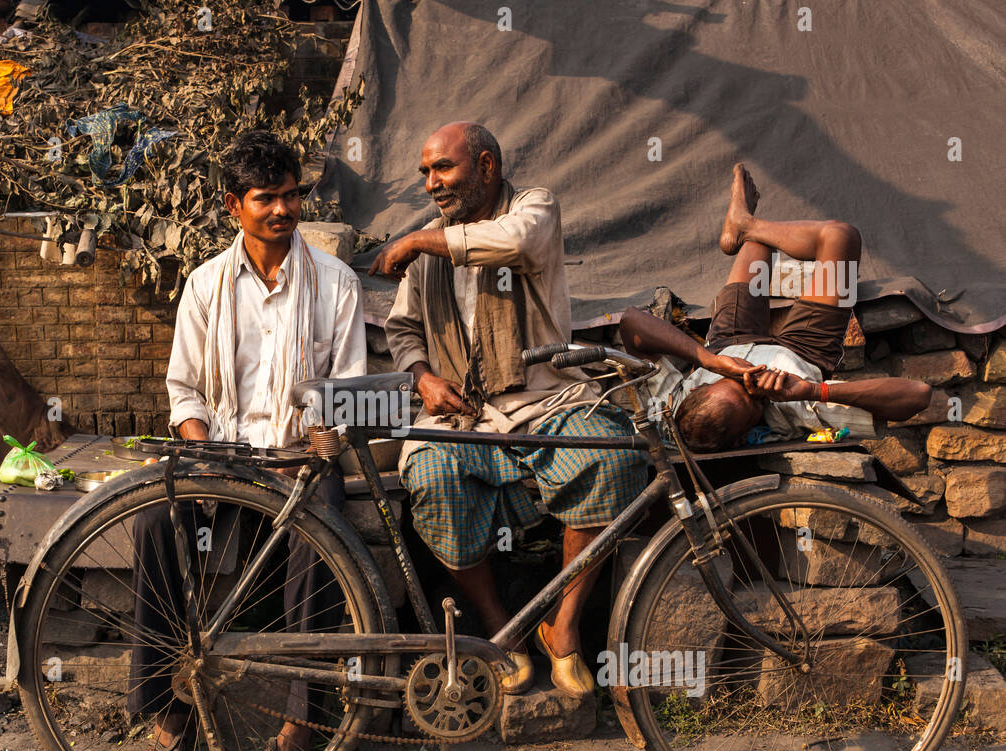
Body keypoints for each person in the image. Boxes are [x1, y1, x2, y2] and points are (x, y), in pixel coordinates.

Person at [373, 122, 649, 699]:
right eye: (425, 172)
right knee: (429, 475)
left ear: (486, 167)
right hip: (461, 416)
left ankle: (564, 628)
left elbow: (517, 243)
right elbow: (401, 329)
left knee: (614, 457)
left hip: (544, 400)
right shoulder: (432, 239)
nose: (431, 183)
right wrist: (423, 378)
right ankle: (501, 633)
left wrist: (418, 242)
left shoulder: (534, 207)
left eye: (442, 168)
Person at [132, 130, 366, 751]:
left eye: (292, 196)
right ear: (235, 204)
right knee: (154, 520)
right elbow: (183, 391)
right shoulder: (206, 285)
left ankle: (299, 721)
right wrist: (204, 455)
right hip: (222, 462)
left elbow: (343, 390)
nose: (283, 210)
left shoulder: (337, 284)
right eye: (266, 198)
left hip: (300, 461)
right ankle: (170, 706)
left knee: (321, 532)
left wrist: (317, 449)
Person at [620, 164, 933, 449]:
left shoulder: (670, 407)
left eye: (734, 383)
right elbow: (919, 395)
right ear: (750, 432)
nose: (752, 379)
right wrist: (813, 391)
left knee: (760, 247)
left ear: (692, 391)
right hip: (804, 348)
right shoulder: (797, 410)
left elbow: (632, 322)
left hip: (729, 340)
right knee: (842, 236)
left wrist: (712, 362)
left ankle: (747, 228)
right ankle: (746, 225)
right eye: (754, 397)